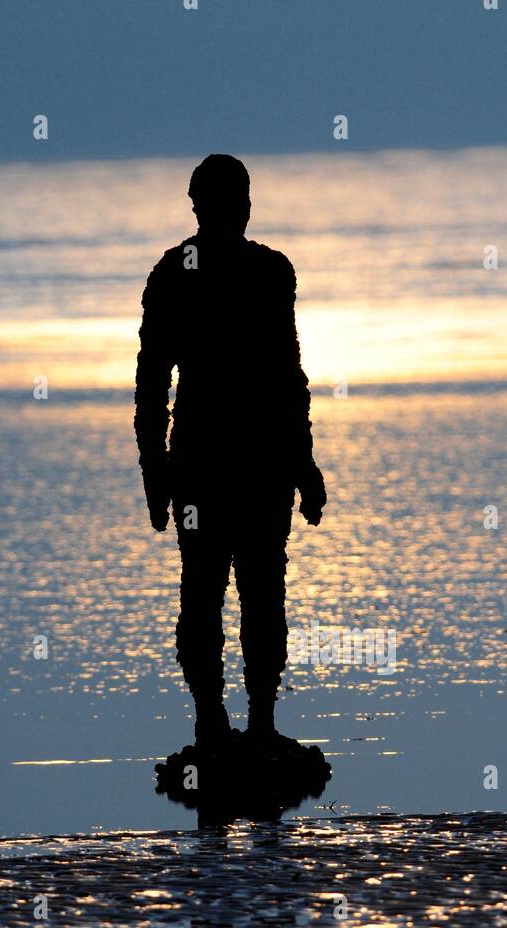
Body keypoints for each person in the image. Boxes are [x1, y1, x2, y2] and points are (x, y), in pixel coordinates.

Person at [134, 154, 326, 748]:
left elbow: (289, 375)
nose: (238, 210)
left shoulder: (270, 272)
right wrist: (155, 475)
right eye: (228, 200)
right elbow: (151, 383)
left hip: (256, 464)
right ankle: (214, 722)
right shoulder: (175, 275)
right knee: (208, 592)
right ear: (202, 206)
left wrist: (305, 465)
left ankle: (259, 722)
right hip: (205, 464)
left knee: (260, 593)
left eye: (241, 199)